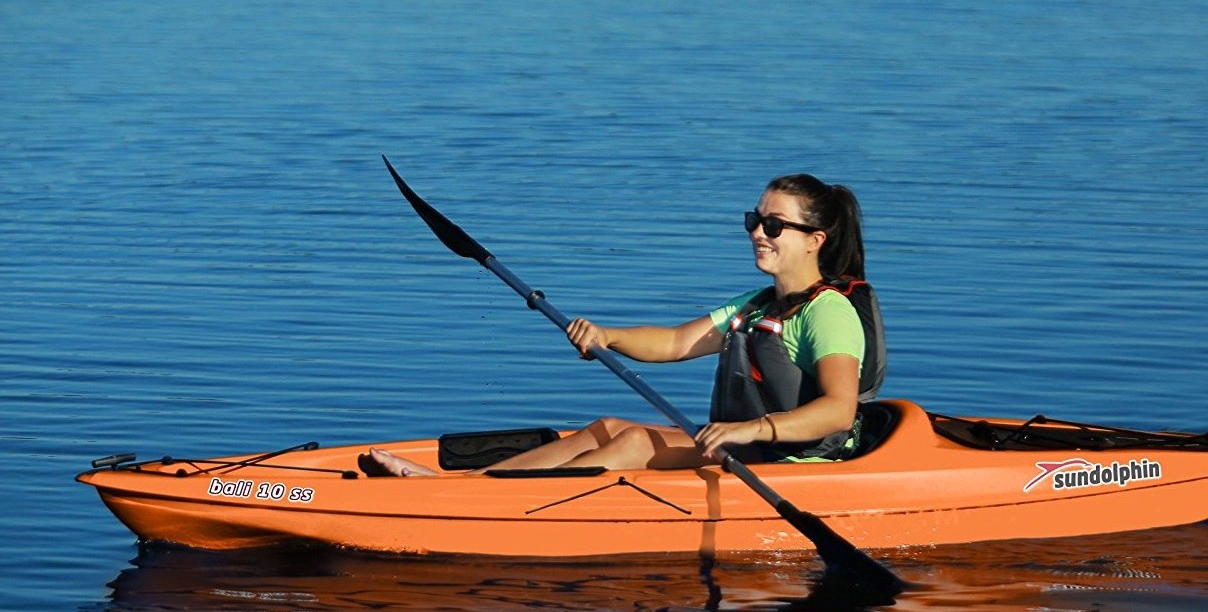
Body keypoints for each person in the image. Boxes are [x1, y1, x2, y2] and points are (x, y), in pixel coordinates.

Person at [367, 173, 885, 476]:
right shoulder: (757, 305)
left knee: (636, 441)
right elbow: (678, 342)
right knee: (609, 429)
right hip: (749, 446)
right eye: (754, 221)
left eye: (773, 225)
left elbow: (838, 411)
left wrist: (749, 428)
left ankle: (473, 499)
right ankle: (472, 485)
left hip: (796, 468)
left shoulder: (828, 312)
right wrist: (607, 336)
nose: (758, 233)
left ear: (815, 238)